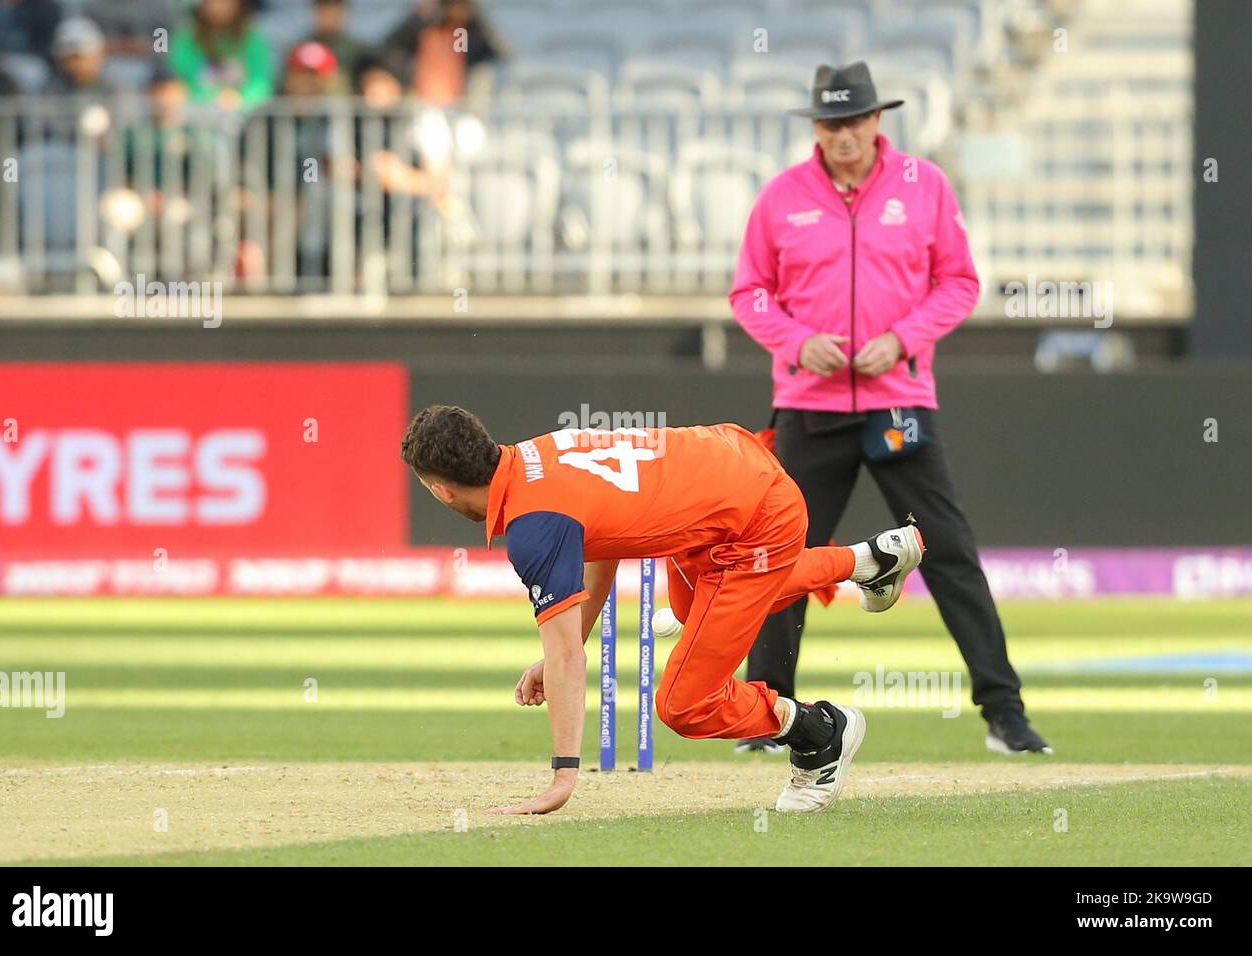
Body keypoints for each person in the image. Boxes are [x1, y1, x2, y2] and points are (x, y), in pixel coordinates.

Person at [731, 62, 1052, 756]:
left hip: (897, 401)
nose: (843, 135)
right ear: (815, 128)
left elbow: (960, 282)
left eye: (854, 120)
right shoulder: (782, 197)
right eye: (830, 123)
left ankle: (1006, 714)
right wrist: (796, 342)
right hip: (808, 403)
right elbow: (750, 293)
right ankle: (767, 715)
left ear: (879, 120)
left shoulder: (924, 185)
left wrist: (903, 339)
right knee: (778, 559)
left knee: (950, 554)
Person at [400, 404, 928, 815]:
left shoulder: (533, 527)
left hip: (757, 518)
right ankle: (870, 559)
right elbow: (600, 553)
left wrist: (563, 777)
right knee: (695, 602)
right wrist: (571, 644)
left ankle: (820, 733)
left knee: (683, 703)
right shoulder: (539, 452)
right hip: (730, 462)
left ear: (440, 489)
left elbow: (565, 661)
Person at [378, 0, 506, 108]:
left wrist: (477, 17)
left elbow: (499, 51)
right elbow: (392, 47)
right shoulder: (424, 28)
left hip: (462, 104)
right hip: (424, 103)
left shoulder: (469, 34)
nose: (457, 10)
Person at [169, 0, 273, 111]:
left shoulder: (253, 40)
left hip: (245, 117)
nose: (218, 6)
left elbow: (261, 84)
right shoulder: (187, 39)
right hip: (198, 114)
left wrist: (239, 98)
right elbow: (182, 80)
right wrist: (213, 97)